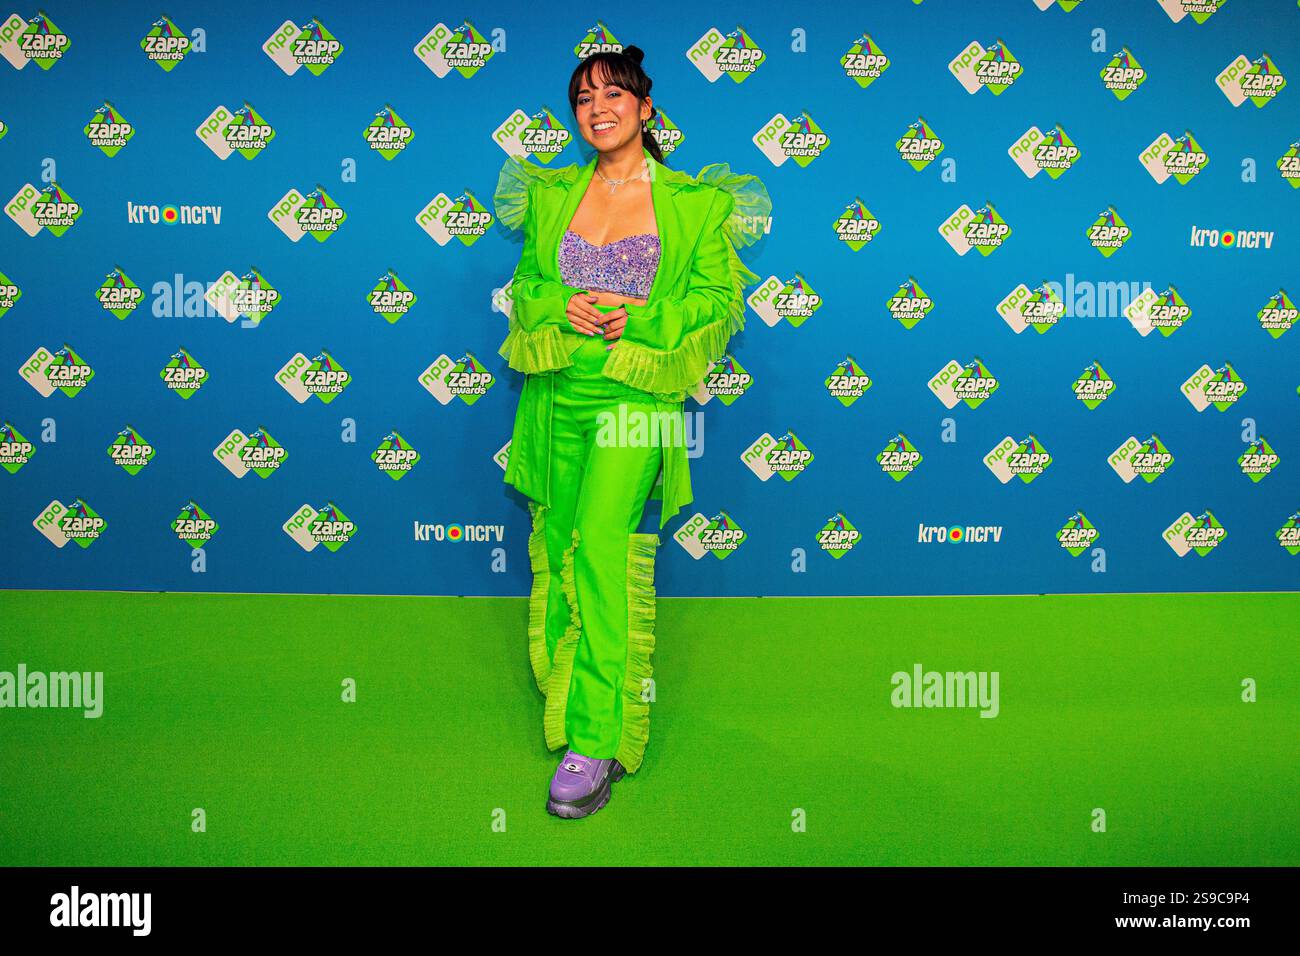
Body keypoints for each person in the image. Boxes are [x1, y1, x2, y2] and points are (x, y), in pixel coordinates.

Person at [492, 45, 770, 818]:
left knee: (603, 548)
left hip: (632, 402)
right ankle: (574, 684)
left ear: (646, 109)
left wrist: (642, 316)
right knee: (560, 544)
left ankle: (596, 738)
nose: (598, 108)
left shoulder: (694, 203)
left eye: (614, 94)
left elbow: (717, 303)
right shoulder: (551, 195)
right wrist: (559, 306)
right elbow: (526, 289)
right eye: (583, 98)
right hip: (555, 399)